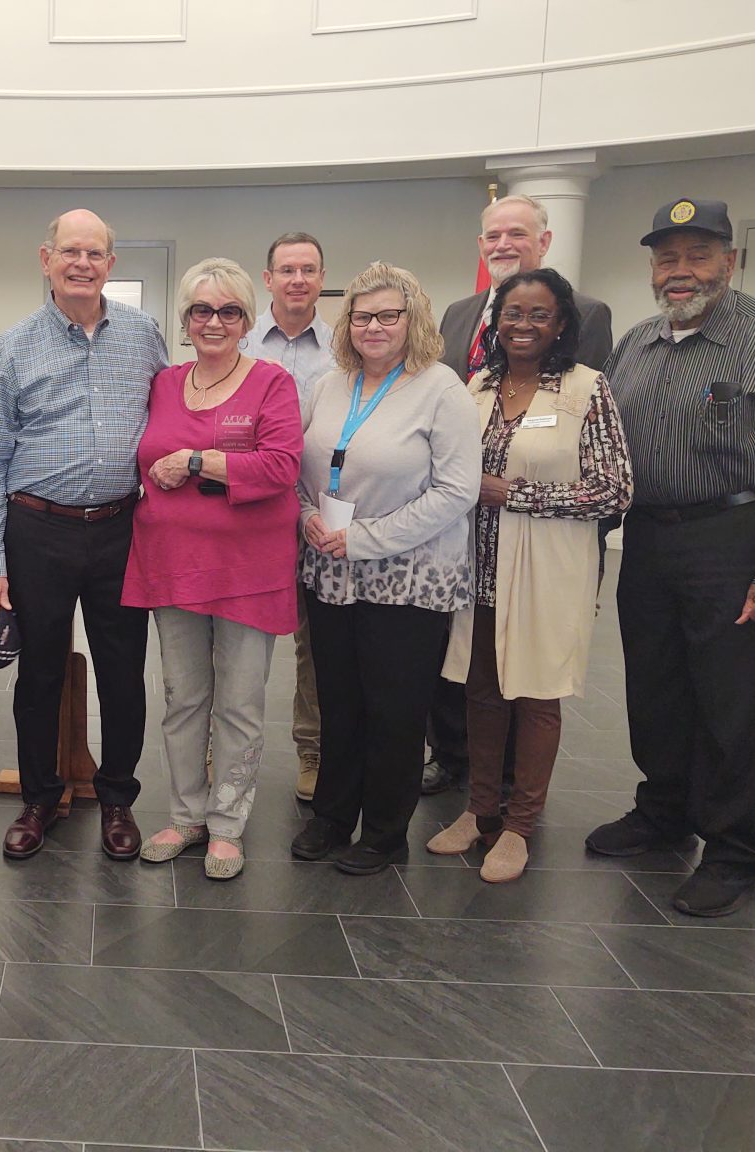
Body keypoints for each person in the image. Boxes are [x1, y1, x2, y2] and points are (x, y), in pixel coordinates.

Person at [586, 198, 755, 917]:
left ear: (729, 262)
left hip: (737, 538)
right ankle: (664, 812)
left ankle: (734, 848)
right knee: (656, 685)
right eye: (667, 258)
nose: (681, 271)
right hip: (647, 538)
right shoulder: (637, 343)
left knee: (734, 701)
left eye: (697, 255)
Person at [0, 209, 168, 861]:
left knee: (123, 674)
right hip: (37, 532)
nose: (82, 263)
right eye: (70, 251)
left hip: (119, 532)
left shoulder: (144, 336)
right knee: (39, 675)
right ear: (46, 258)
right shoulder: (14, 346)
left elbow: (169, 422)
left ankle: (117, 800)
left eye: (95, 253)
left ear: (111, 264)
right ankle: (40, 794)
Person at [428, 268, 632, 881]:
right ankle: (479, 813)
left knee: (537, 696)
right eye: (512, 313)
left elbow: (614, 490)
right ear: (495, 321)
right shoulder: (477, 386)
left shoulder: (586, 389)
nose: (523, 324)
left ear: (562, 323)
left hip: (547, 571)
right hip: (479, 570)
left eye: (538, 314)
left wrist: (516, 494)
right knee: (482, 693)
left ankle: (520, 827)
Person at [289, 262, 481, 875]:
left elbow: (457, 491)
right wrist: (304, 519)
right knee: (337, 699)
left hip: (408, 577)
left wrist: (368, 538)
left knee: (395, 710)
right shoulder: (330, 383)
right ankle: (331, 816)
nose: (373, 326)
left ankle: (385, 831)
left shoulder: (441, 388)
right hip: (332, 572)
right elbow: (298, 470)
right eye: (362, 315)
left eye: (387, 315)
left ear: (412, 319)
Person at [124, 258, 302, 879]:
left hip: (249, 568)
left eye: (229, 311)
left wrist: (198, 461)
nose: (214, 321)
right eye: (202, 310)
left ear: (248, 320)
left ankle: (228, 824)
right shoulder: (166, 382)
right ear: (186, 320)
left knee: (240, 701)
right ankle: (186, 814)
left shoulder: (272, 383)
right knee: (183, 697)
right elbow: (142, 455)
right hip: (172, 564)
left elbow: (281, 465)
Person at [247, 231, 335, 804]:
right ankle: (219, 745)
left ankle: (312, 749)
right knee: (238, 638)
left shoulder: (346, 348)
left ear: (322, 279)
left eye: (308, 270)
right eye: (287, 269)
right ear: (268, 278)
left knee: (315, 642)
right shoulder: (240, 340)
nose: (297, 279)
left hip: (321, 512)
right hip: (252, 511)